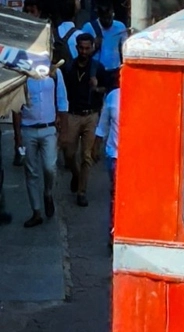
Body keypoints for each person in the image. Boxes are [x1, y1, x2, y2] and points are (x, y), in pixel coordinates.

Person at [13, 64, 68, 228]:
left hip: (49, 128)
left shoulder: (54, 72)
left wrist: (64, 131)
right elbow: (17, 107)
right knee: (31, 171)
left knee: (50, 167)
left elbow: (62, 100)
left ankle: (48, 192)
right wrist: (17, 137)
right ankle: (36, 212)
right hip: (28, 129)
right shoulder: (22, 74)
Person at [60, 32, 106, 206]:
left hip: (91, 114)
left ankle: (81, 191)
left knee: (86, 156)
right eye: (82, 48)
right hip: (72, 114)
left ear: (92, 48)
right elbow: (61, 93)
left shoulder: (97, 68)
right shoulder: (69, 68)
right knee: (69, 153)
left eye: (88, 48)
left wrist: (97, 88)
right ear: (77, 48)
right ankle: (76, 176)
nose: (85, 51)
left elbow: (106, 89)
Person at [93, 65, 118, 241]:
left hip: (133, 157)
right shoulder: (112, 97)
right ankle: (113, 230)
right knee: (115, 194)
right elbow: (103, 124)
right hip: (115, 155)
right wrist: (96, 146)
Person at [82, 3, 126, 73]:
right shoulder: (88, 27)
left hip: (115, 70)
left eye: (109, 18)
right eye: (104, 18)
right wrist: (94, 46)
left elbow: (124, 49)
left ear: (113, 14)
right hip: (96, 71)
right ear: (99, 15)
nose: (107, 21)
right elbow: (82, 52)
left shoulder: (120, 27)